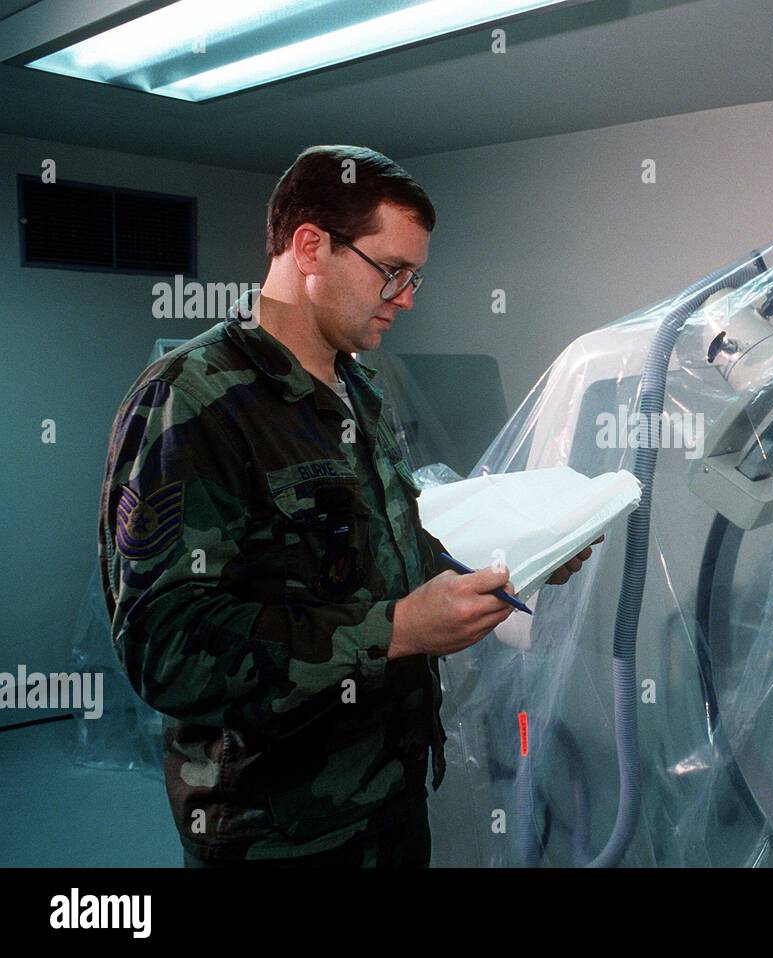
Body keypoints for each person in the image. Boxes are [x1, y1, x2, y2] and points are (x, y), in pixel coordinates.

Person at [97, 145, 597, 867]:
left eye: (415, 276)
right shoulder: (192, 402)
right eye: (392, 271)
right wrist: (392, 632)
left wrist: (517, 557)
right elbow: (166, 651)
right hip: (278, 831)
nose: (408, 297)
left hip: (388, 798)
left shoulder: (356, 390)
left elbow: (386, 547)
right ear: (310, 246)